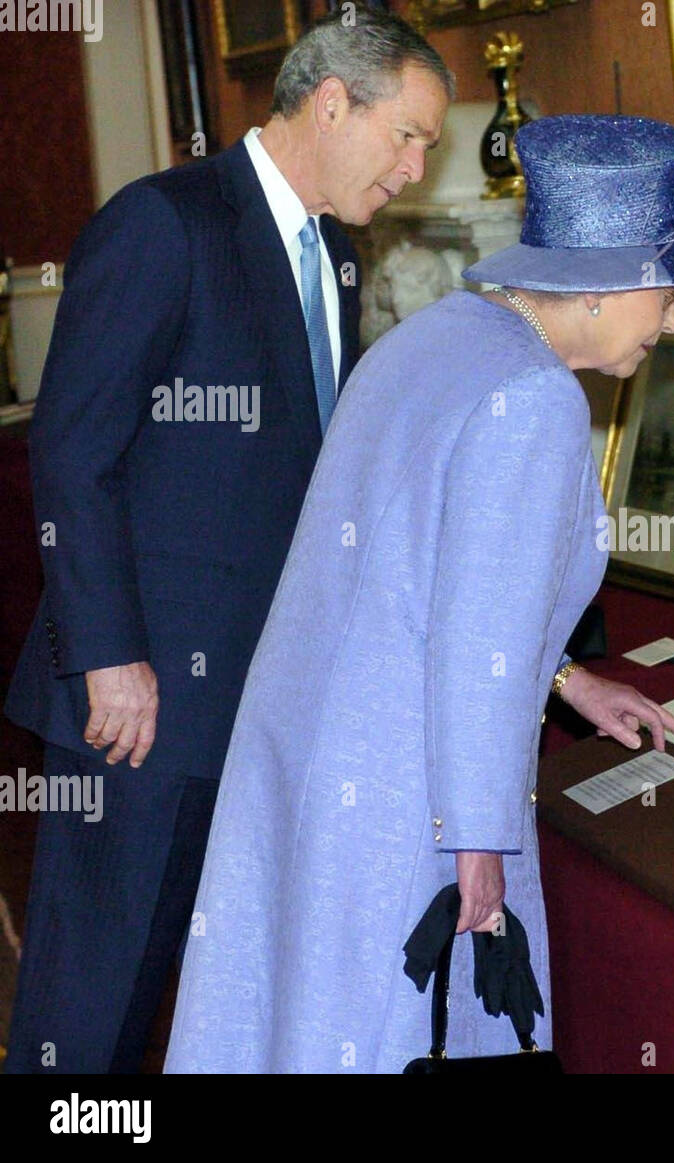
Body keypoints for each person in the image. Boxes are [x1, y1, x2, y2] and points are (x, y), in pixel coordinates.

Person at [164, 113, 674, 1072]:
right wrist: (477, 842)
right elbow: (473, 640)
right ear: (603, 285)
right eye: (669, 291)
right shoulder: (536, 400)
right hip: (409, 792)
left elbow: (432, 584)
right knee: (387, 1036)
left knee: (293, 1016)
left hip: (315, 754)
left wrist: (567, 679)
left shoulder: (440, 334)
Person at [3, 8, 452, 1073]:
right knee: (91, 1010)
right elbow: (71, 452)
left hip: (255, 704)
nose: (415, 169)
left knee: (201, 996)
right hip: (140, 710)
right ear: (333, 103)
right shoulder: (166, 223)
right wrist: (110, 657)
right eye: (408, 135)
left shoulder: (335, 254)